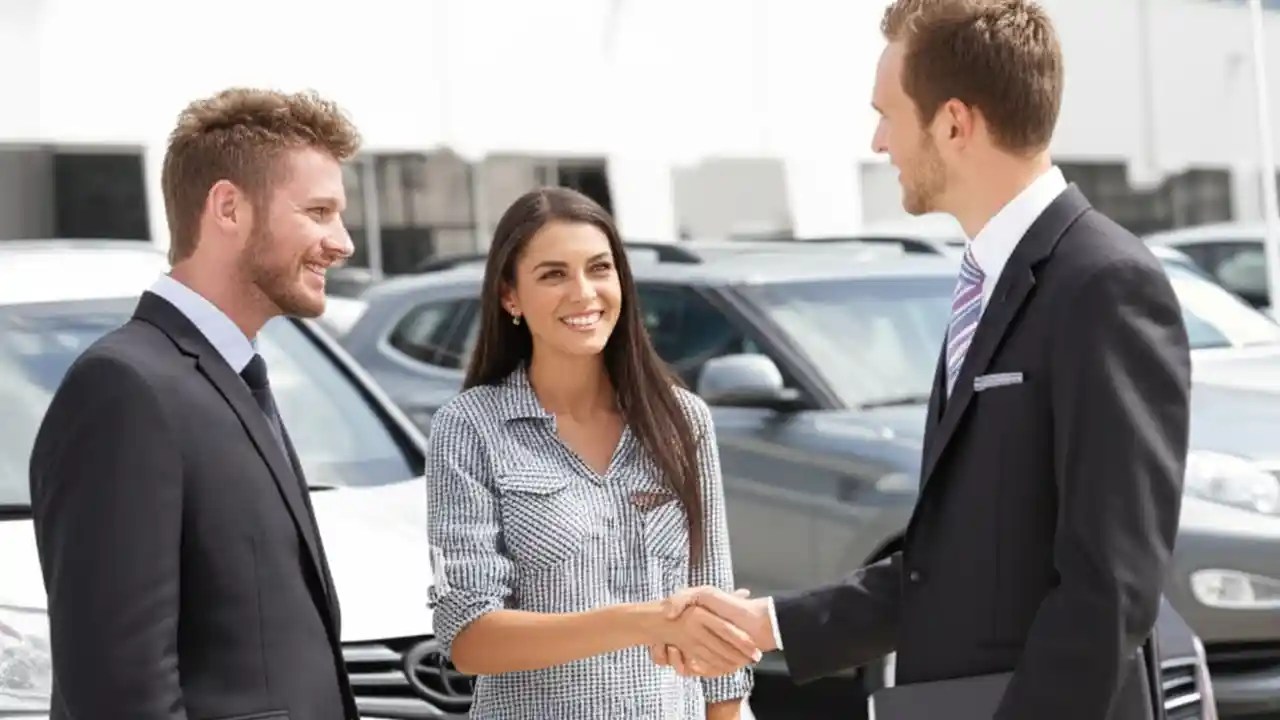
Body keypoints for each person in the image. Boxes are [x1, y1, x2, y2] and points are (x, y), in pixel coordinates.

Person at [658, 1, 1192, 718]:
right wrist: (767, 624)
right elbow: (959, 569)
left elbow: (1110, 588)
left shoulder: (1104, 285)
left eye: (887, 113)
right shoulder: (990, 281)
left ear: (953, 123)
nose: (879, 142)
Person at [28, 87, 362, 720]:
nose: (342, 242)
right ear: (228, 207)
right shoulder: (123, 389)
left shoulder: (232, 376)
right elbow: (118, 693)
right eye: (319, 212)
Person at [424, 186, 757, 719]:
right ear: (510, 295)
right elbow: (468, 638)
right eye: (553, 274)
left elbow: (719, 627)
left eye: (599, 268)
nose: (584, 293)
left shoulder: (682, 421)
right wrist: (645, 620)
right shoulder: (471, 428)